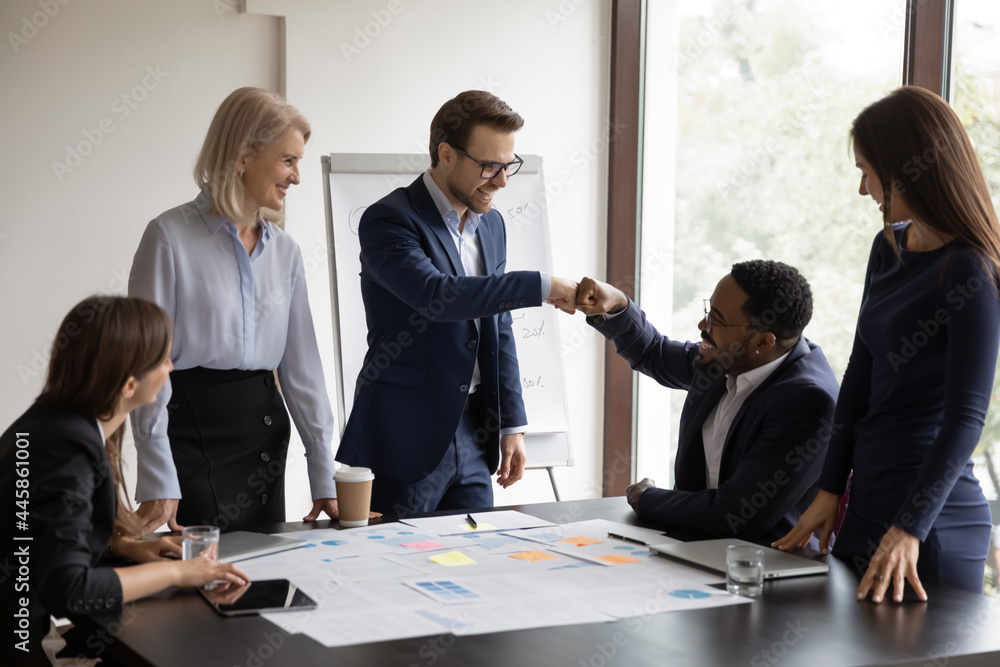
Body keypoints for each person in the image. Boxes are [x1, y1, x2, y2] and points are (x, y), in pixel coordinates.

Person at [775, 86, 1000, 603]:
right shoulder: (888, 248)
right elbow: (859, 375)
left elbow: (967, 417)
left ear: (905, 169)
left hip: (931, 528)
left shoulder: (970, 269)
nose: (863, 189)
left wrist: (911, 530)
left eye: (866, 170)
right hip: (867, 504)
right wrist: (830, 489)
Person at [129, 87, 374, 532]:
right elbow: (145, 366)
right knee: (208, 581)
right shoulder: (168, 237)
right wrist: (157, 474)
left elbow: (302, 369)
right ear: (243, 156)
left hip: (263, 436)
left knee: (260, 574)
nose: (297, 176)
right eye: (288, 160)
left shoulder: (286, 252)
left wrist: (324, 472)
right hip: (192, 434)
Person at [336, 90, 578, 515]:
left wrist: (512, 423)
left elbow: (497, 326)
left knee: (475, 566)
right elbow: (438, 296)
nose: (502, 181)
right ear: (446, 154)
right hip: (406, 437)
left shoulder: (492, 225)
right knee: (396, 570)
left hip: (475, 433)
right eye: (490, 167)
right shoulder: (389, 220)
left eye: (509, 166)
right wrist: (543, 285)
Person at [0, 296, 249, 665]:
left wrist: (127, 548)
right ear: (130, 385)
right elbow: (69, 589)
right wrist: (178, 572)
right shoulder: (67, 449)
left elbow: (41, 539)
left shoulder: (52, 423)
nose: (171, 367)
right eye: (164, 359)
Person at [571, 261, 839, 542]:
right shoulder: (726, 359)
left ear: (762, 342)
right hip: (696, 548)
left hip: (768, 567)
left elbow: (738, 514)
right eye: (708, 310)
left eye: (718, 319)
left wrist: (646, 498)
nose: (702, 325)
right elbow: (654, 351)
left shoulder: (808, 401)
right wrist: (616, 305)